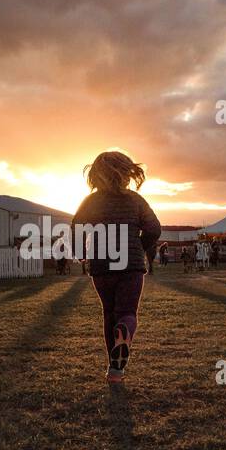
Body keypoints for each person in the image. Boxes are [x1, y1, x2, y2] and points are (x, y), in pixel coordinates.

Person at [72, 151, 162, 384]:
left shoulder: (91, 201)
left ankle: (114, 371)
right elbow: (154, 229)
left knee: (109, 312)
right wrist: (139, 247)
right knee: (127, 313)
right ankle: (123, 337)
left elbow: (76, 228)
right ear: (126, 173)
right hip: (131, 266)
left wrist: (82, 254)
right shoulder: (135, 200)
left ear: (95, 174)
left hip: (102, 264)